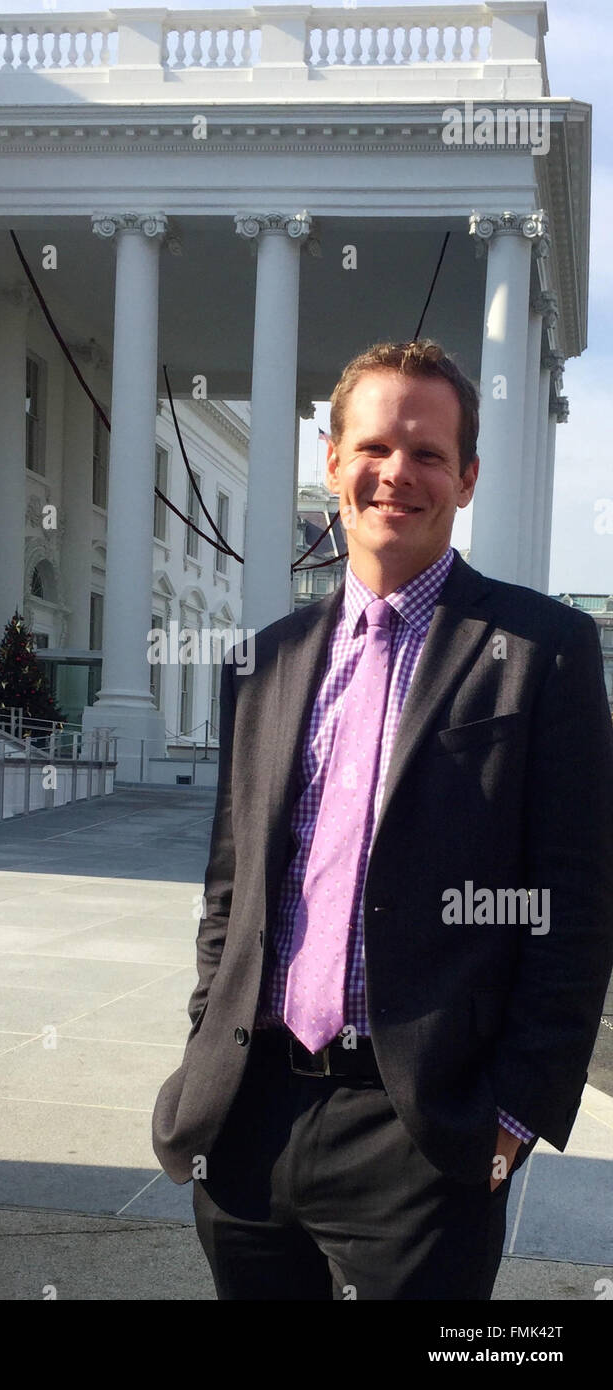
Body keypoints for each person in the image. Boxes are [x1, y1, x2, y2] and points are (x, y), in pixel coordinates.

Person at [151, 339, 613, 1300]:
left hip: (423, 1135)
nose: (397, 473)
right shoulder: (264, 661)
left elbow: (572, 905)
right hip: (251, 1116)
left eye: (430, 453)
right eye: (373, 447)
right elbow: (232, 888)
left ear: (468, 477)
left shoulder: (544, 651)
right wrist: (204, 1046)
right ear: (331, 463)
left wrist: (515, 1115)